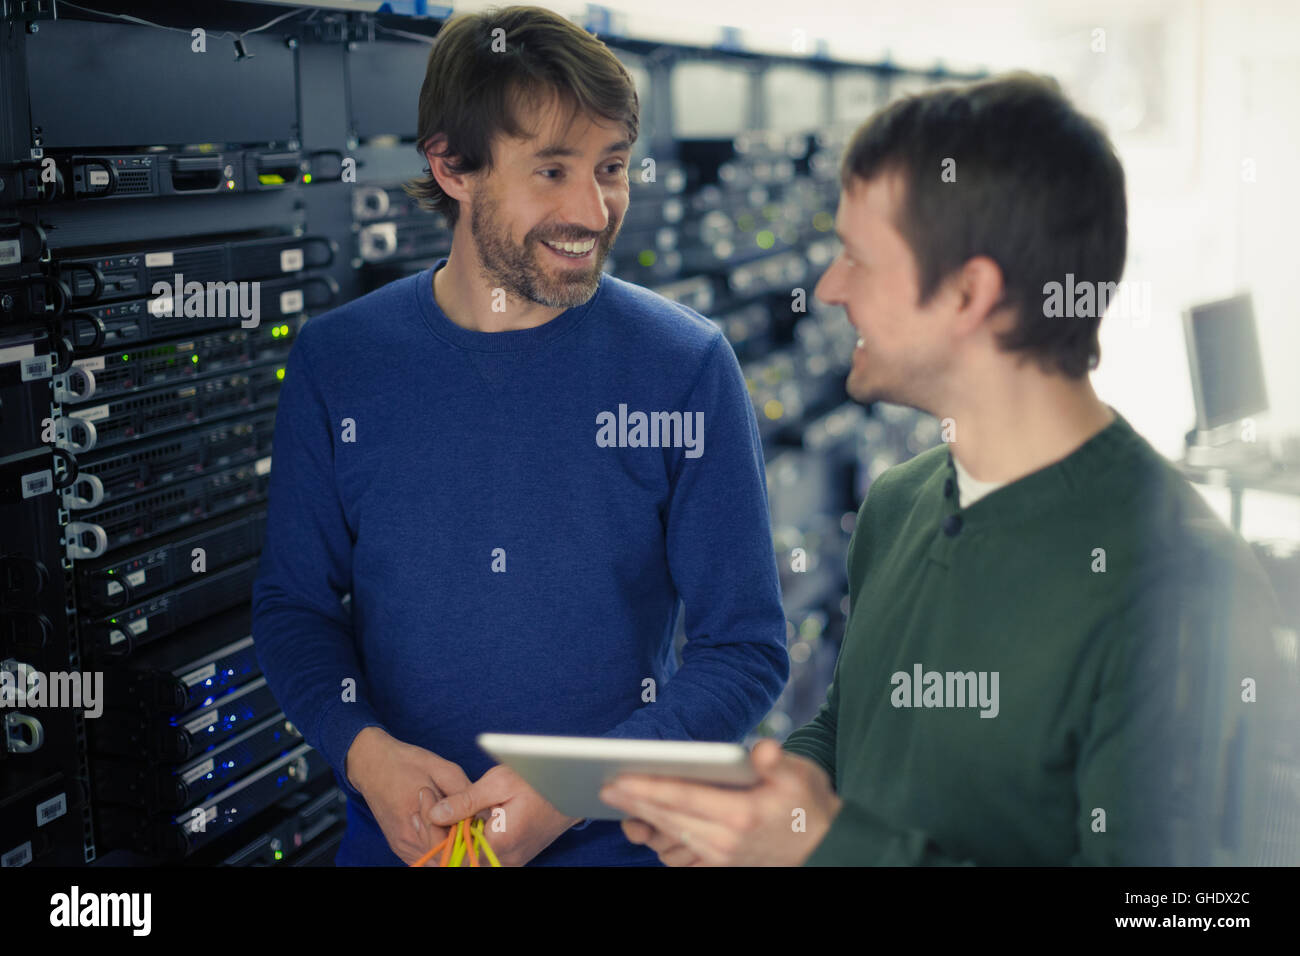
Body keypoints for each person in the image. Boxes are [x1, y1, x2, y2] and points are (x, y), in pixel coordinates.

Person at [601, 72, 1291, 866]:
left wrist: (834, 851)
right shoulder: (900, 504)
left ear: (969, 293)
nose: (829, 289)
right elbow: (850, 728)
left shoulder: (1182, 587)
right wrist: (764, 811)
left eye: (858, 258)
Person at [251, 5, 788, 867]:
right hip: (401, 847)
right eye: (552, 171)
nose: (594, 209)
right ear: (452, 166)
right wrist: (362, 750)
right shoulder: (338, 361)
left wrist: (574, 791)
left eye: (611, 168)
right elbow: (293, 608)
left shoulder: (684, 365)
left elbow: (747, 650)